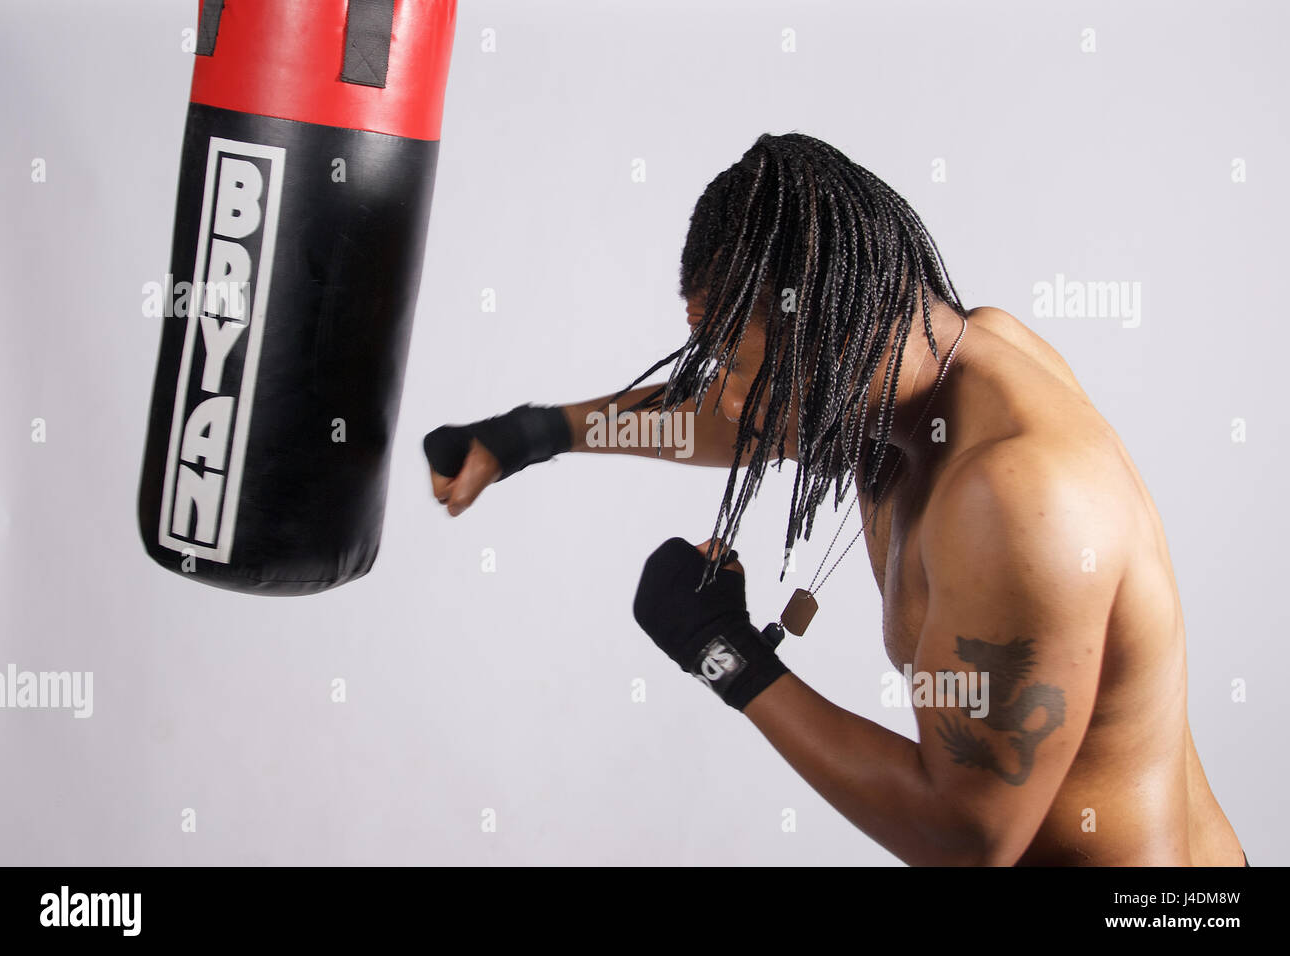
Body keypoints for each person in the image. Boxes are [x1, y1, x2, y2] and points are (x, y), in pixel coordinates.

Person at [426, 132, 1247, 866]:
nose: (735, 401)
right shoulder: (916, 368)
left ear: (839, 331)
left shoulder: (1017, 497)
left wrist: (725, 654)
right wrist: (528, 434)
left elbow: (969, 839)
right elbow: (732, 421)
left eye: (743, 368)